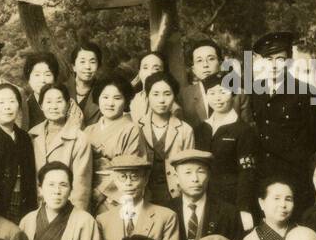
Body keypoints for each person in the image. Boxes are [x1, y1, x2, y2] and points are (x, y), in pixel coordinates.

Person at [244, 30, 316, 213]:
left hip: (296, 176)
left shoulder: (309, 92)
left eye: (280, 59)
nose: (274, 65)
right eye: (268, 60)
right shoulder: (255, 93)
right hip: (264, 176)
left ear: (289, 61)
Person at [95, 154, 179, 240]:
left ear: (145, 179)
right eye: (122, 177)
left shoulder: (166, 217)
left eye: (134, 177)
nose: (128, 183)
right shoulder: (102, 221)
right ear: (115, 181)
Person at [164, 149, 246, 240]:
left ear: (208, 175)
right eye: (188, 172)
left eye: (201, 171)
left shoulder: (228, 212)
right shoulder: (166, 211)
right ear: (176, 178)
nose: (195, 178)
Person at [192, 72, 260, 222]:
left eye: (223, 92)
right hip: (204, 198)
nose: (217, 98)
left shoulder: (243, 130)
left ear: (233, 94)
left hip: (232, 200)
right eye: (212, 93)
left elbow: (247, 172)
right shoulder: (201, 129)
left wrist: (244, 208)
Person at [84, 75, 149, 212]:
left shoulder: (132, 129)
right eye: (105, 97)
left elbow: (131, 168)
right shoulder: (89, 130)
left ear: (125, 101)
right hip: (88, 193)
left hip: (116, 196)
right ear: (98, 99)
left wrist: (101, 192)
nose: (110, 103)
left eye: (117, 98)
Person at [28, 81, 92, 210]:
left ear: (68, 104)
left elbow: (81, 187)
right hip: (35, 208)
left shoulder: (79, 138)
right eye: (48, 102)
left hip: (66, 209)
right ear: (41, 106)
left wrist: (74, 218)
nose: (54, 106)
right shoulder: (31, 135)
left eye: (59, 101)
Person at [0, 83, 38, 225]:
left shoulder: (24, 137)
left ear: (19, 106)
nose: (7, 106)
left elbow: (30, 176)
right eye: (1, 102)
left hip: (24, 204)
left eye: (12, 101)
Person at [134, 72, 195, 205]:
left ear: (174, 96)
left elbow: (189, 168)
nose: (161, 100)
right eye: (155, 94)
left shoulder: (185, 129)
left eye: (167, 94)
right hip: (142, 194)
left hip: (175, 196)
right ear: (147, 96)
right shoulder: (136, 127)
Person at [182, 37, 225, 126]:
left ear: (220, 64)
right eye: (199, 60)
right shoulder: (184, 96)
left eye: (211, 59)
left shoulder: (238, 94)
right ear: (193, 69)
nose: (205, 65)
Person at [21, 51, 66, 129]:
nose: (42, 80)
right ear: (29, 79)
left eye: (47, 74)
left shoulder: (67, 104)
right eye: (37, 75)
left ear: (55, 78)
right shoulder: (23, 108)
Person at [69, 41, 104, 125]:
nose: (87, 67)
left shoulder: (105, 93)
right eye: (82, 62)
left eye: (92, 62)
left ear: (98, 66)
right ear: (73, 67)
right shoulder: (61, 90)